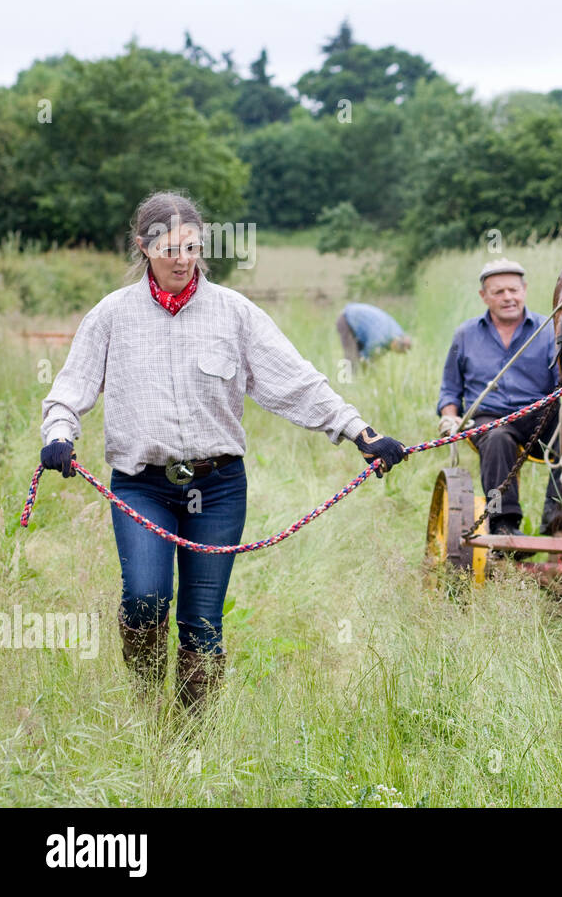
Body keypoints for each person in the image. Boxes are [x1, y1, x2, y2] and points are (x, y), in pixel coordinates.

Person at [38, 191, 406, 716]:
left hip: (218, 489)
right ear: (143, 247)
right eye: (168, 248)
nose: (181, 259)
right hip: (142, 485)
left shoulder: (235, 313)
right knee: (146, 600)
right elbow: (69, 390)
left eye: (191, 247)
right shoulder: (110, 316)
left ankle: (192, 735)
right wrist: (59, 434)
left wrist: (360, 432)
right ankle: (146, 706)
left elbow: (295, 382)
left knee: (202, 623)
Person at [437, 259, 562, 539]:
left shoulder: (548, 330)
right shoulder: (465, 335)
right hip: (489, 417)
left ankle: (559, 521)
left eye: (513, 290)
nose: (508, 297)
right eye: (498, 292)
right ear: (484, 296)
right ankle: (503, 523)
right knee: (496, 438)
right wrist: (449, 415)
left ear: (524, 290)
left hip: (539, 414)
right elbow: (450, 390)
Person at [336, 302, 412, 365]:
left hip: (362, 322)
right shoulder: (379, 339)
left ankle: (358, 378)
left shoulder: (398, 333)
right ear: (395, 345)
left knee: (368, 359)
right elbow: (365, 358)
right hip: (347, 318)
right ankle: (349, 381)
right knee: (352, 356)